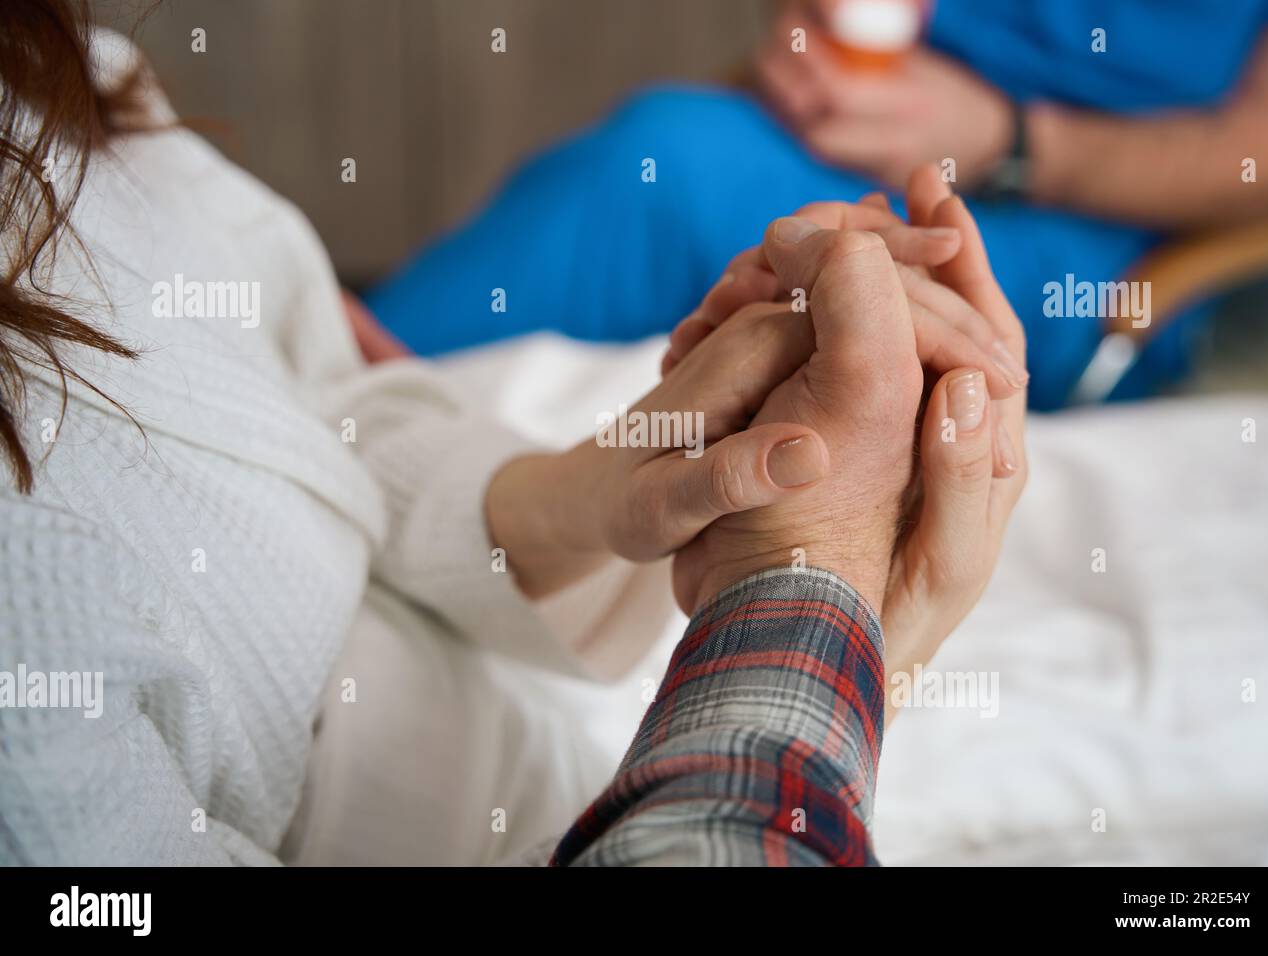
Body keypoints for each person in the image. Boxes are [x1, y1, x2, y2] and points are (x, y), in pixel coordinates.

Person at [0, 4, 1023, 866]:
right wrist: (814, 590)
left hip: (573, 740)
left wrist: (627, 483)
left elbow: (316, 398)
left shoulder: (51, 71)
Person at [364, 0, 1268, 409]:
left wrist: (1007, 141)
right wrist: (816, 55)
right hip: (861, 136)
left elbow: (1266, 154)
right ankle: (367, 399)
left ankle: (359, 396)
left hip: (1095, 241)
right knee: (661, 152)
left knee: (681, 183)